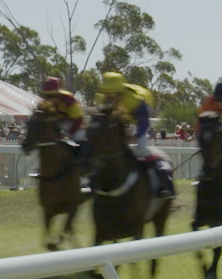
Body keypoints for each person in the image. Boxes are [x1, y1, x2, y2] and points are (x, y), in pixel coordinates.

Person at [94, 71, 175, 199]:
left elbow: (144, 122)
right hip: (122, 122)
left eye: (110, 92)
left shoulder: (134, 100)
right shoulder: (102, 99)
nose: (107, 95)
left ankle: (165, 183)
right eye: (105, 92)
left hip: (138, 122)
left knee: (142, 149)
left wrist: (134, 136)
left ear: (118, 91)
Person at [33, 76, 85, 143]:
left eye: (51, 96)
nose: (48, 99)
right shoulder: (43, 104)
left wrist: (69, 134)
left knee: (79, 136)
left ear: (57, 94)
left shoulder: (68, 99)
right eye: (46, 96)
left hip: (73, 124)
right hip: (56, 124)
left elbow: (78, 120)